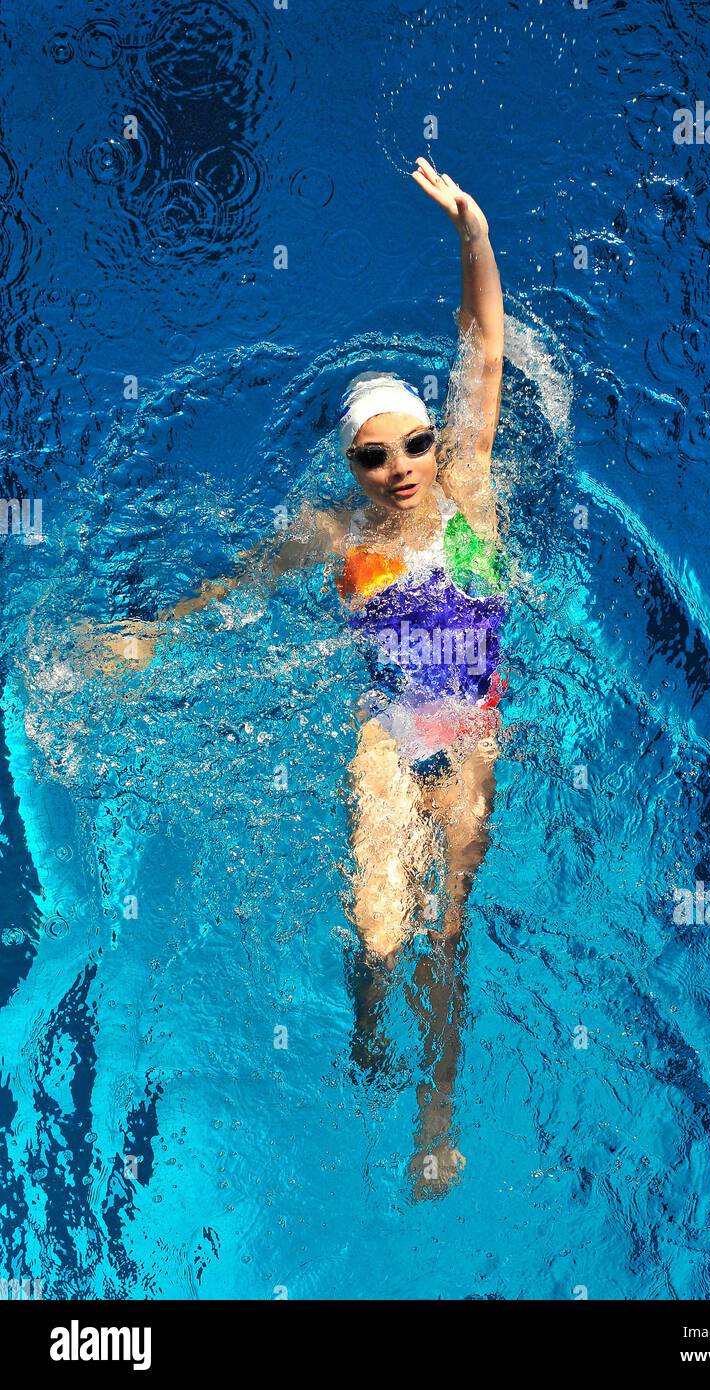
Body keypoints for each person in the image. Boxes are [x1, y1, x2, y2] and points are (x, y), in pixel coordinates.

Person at [89, 156, 508, 1193]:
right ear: (352, 467)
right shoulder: (333, 533)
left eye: (413, 440)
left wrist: (473, 233)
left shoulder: (469, 493)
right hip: (386, 728)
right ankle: (367, 1026)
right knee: (379, 929)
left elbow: (484, 352)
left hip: (469, 729)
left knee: (446, 928)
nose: (403, 464)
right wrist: (158, 633)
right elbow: (239, 582)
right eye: (377, 455)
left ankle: (435, 1112)